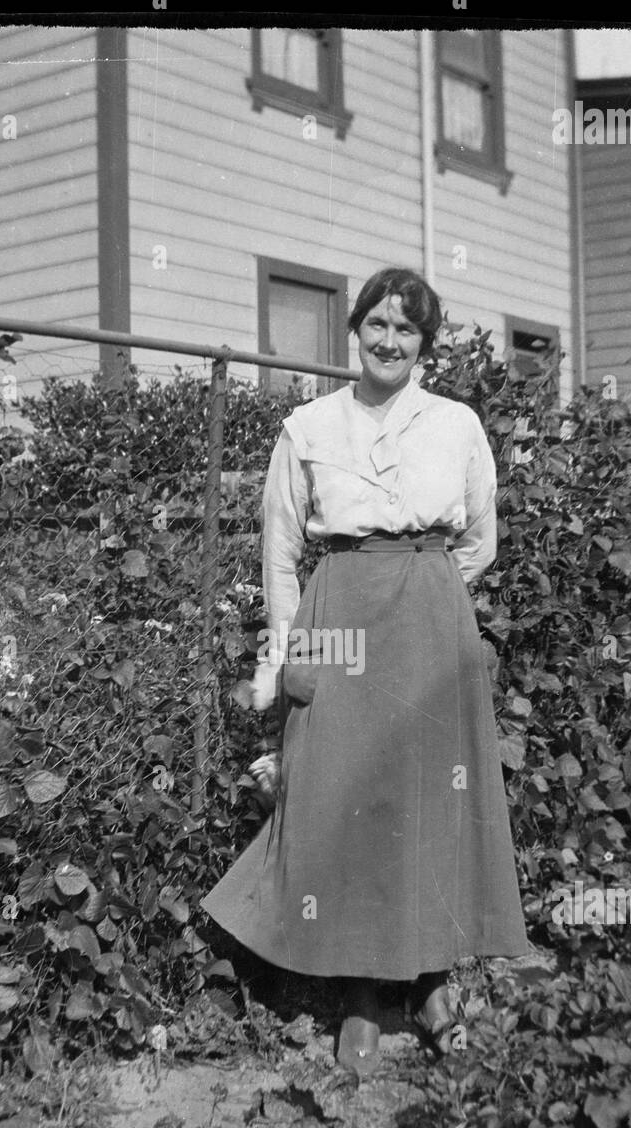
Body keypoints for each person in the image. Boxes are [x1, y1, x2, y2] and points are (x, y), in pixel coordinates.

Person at [201, 266, 529, 1076]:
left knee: (429, 794)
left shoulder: (455, 423)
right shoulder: (308, 426)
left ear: (424, 343)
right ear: (356, 331)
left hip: (428, 613)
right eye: (376, 324)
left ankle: (429, 983)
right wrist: (284, 658)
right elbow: (280, 556)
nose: (389, 341)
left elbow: (479, 539)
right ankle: (359, 998)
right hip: (334, 608)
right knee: (337, 791)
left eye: (406, 329)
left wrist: (427, 589)